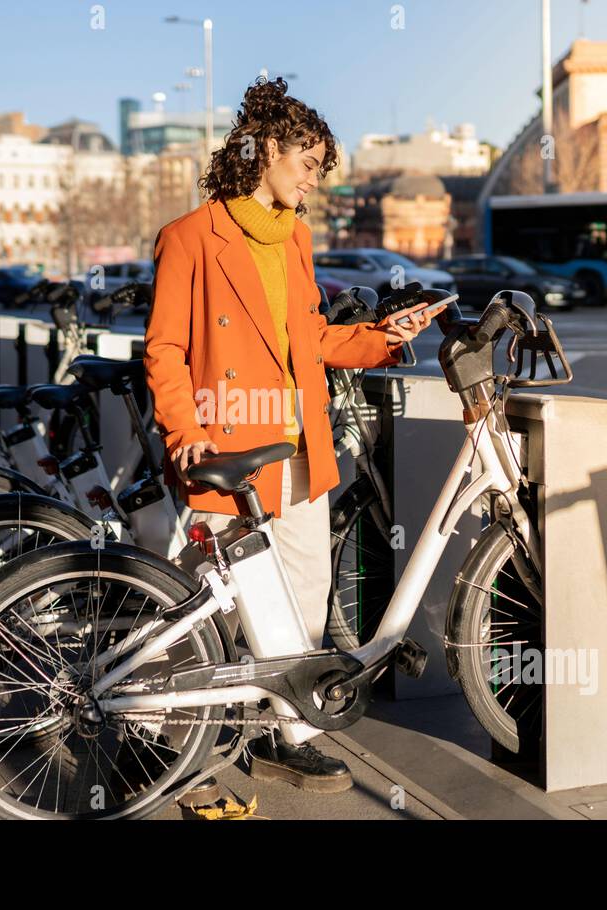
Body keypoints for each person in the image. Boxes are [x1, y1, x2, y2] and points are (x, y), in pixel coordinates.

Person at [145, 77, 435, 795]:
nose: (314, 182)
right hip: (227, 448)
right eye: (308, 164)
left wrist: (381, 340)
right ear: (268, 148)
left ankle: (287, 733)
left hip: (299, 447)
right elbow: (165, 351)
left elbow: (307, 336)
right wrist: (185, 432)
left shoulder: (296, 239)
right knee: (197, 597)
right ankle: (159, 735)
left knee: (303, 596)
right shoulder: (191, 237)